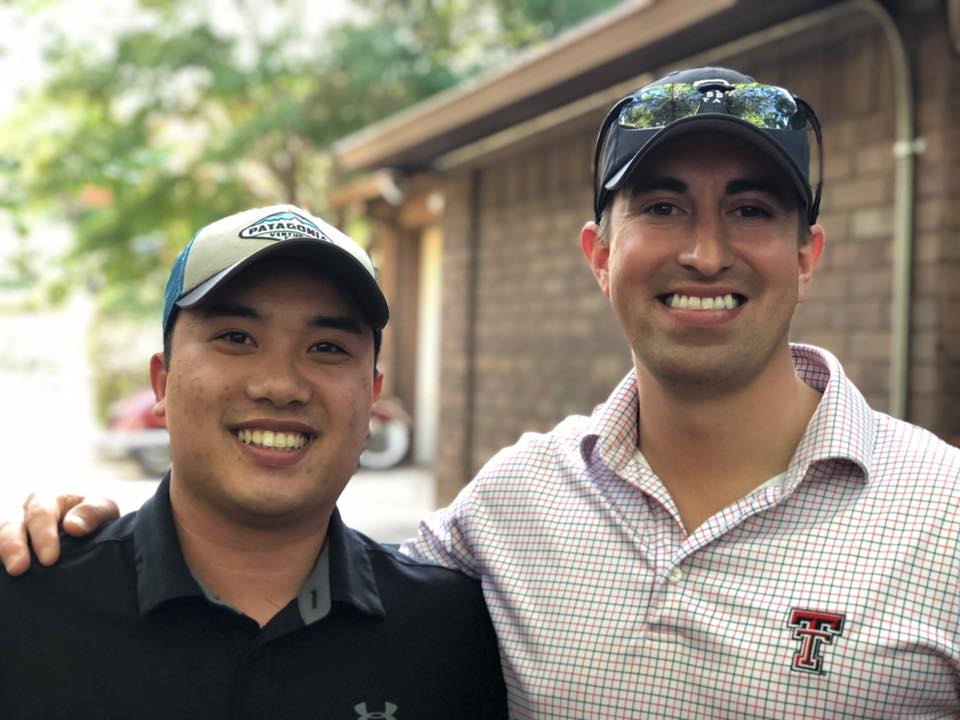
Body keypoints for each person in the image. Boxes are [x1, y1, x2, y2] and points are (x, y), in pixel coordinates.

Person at [5, 67, 960, 718]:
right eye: (661, 206)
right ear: (600, 255)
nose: (704, 250)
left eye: (751, 209)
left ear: (808, 255)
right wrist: (79, 534)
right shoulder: (511, 511)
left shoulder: (944, 518)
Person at [0, 205, 507, 719]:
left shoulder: (454, 630)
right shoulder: (27, 603)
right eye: (237, 339)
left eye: (327, 346)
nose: (280, 386)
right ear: (162, 382)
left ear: (371, 398)